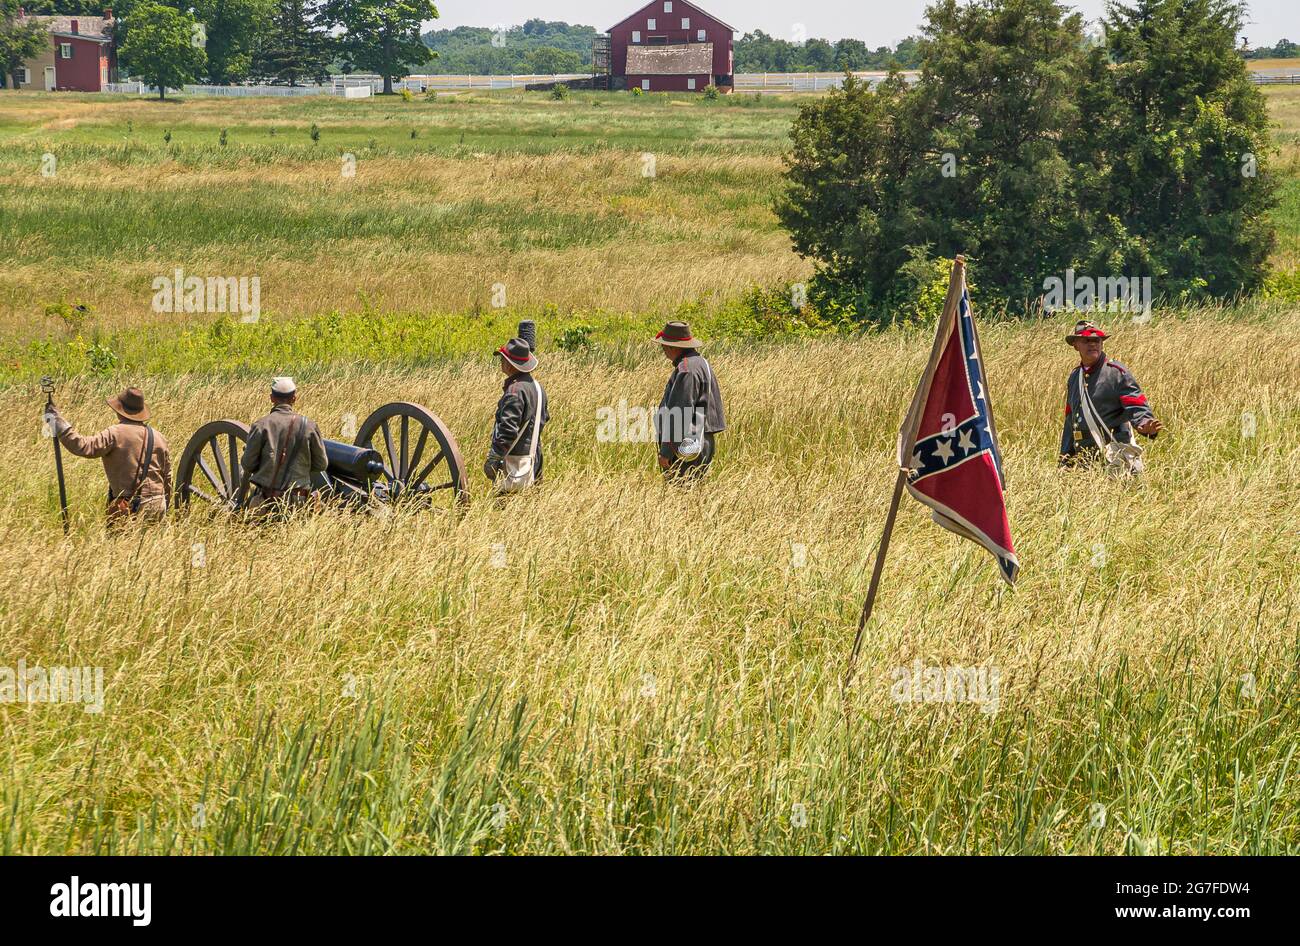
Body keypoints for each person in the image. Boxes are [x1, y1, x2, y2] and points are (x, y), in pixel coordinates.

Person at [42, 386, 172, 525]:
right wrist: (165, 503)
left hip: (131, 508)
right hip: (159, 504)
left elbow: (84, 446)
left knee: (123, 546)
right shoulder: (158, 436)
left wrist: (58, 422)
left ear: (119, 409)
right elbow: (167, 476)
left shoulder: (115, 433)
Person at [1059, 320, 1164, 468]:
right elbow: (1071, 421)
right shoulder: (1075, 377)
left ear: (1102, 343)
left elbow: (1136, 403)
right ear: (1076, 345)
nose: (1092, 344)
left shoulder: (1116, 373)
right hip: (1085, 462)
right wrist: (1065, 459)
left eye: (1096, 340)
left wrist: (1144, 423)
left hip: (1115, 459)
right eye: (1086, 340)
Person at [239, 377, 327, 512]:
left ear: (272, 398)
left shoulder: (261, 426)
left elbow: (248, 465)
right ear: (294, 398)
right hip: (299, 504)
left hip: (266, 503)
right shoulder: (310, 426)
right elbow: (321, 464)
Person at [653, 321, 725, 480]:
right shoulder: (700, 363)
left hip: (686, 445)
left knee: (680, 496)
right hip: (698, 441)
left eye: (664, 346)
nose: (663, 350)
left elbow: (680, 413)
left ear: (673, 347)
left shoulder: (686, 369)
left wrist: (666, 451)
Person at [485, 338, 548, 492]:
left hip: (515, 465)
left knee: (504, 509)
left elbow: (508, 430)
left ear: (510, 365)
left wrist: (494, 458)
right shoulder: (539, 389)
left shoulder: (514, 391)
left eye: (503, 359)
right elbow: (543, 420)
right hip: (534, 461)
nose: (501, 362)